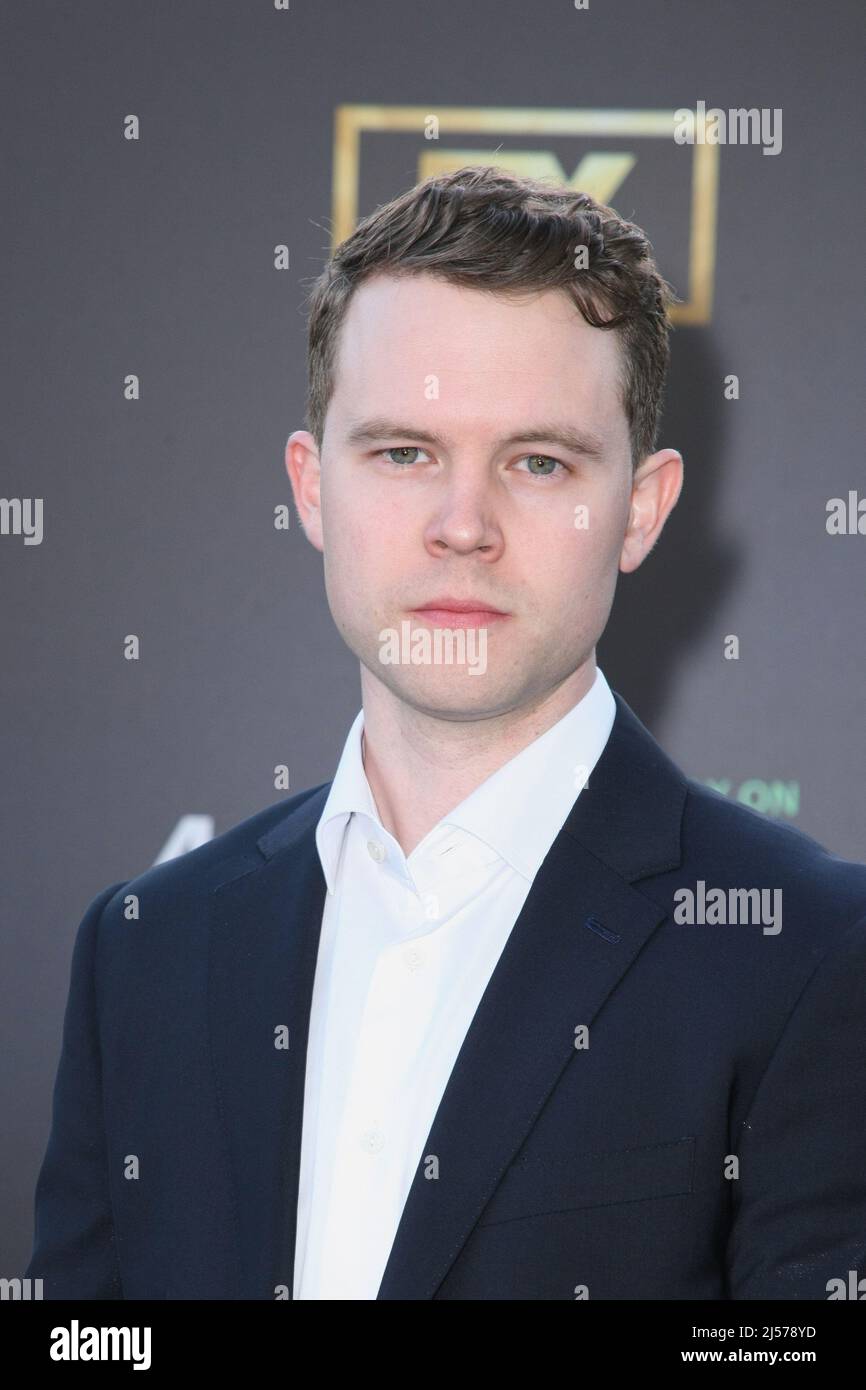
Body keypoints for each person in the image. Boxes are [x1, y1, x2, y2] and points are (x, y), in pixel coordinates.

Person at [26, 166, 866, 1300]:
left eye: (536, 462)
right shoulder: (143, 950)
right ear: (310, 487)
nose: (462, 525)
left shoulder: (810, 952)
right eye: (403, 452)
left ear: (641, 508)